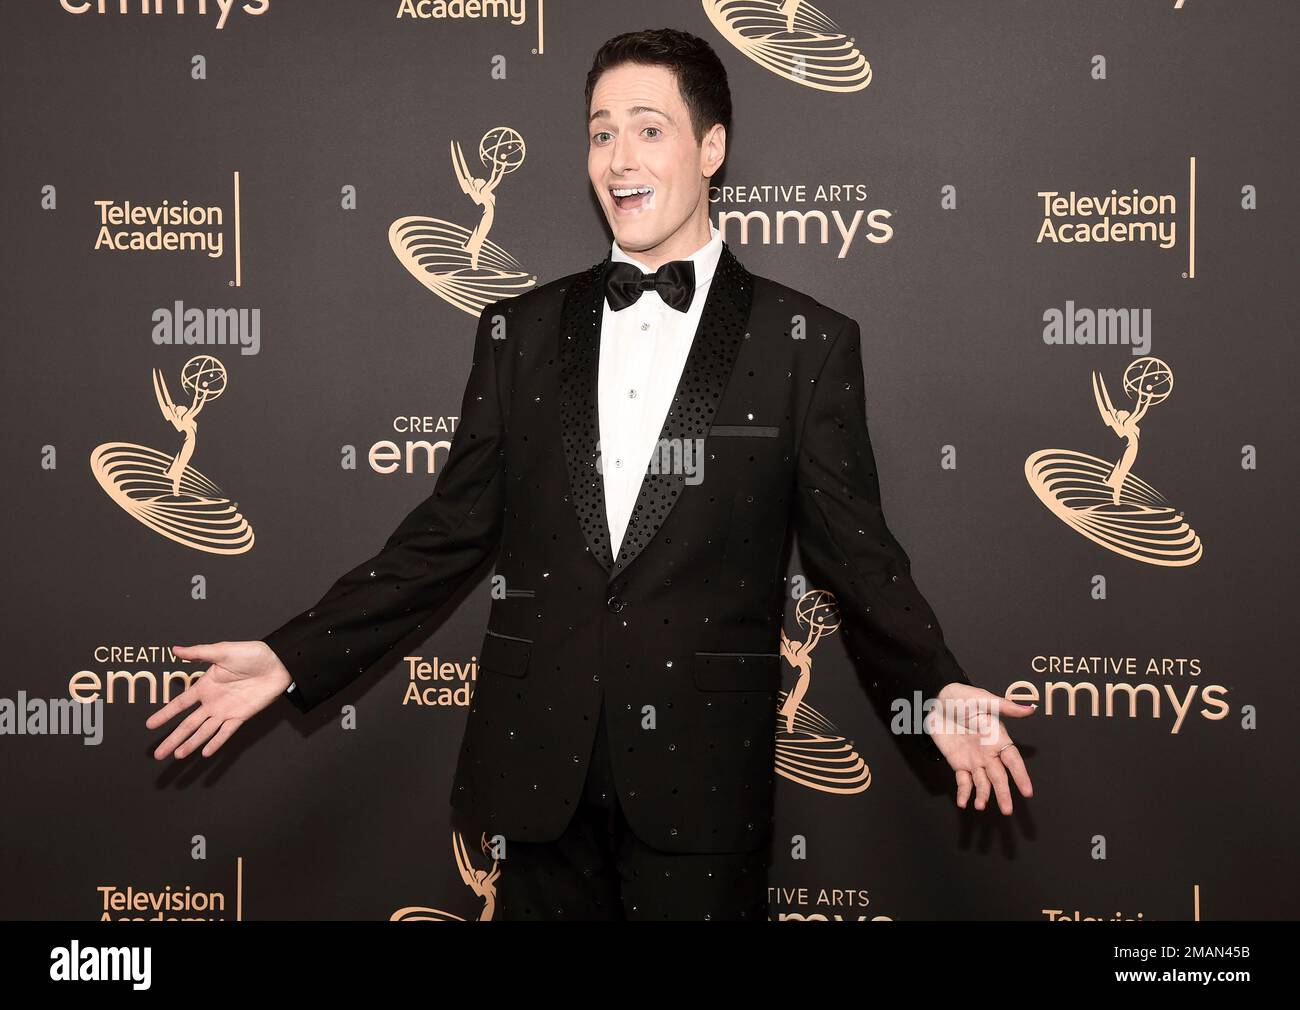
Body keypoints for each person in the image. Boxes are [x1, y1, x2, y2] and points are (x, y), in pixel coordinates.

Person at [147, 27, 1035, 921]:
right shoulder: (519, 330)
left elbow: (856, 553)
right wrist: (291, 655)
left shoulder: (805, 341)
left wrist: (933, 690)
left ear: (712, 147)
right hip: (533, 777)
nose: (619, 158)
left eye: (649, 129)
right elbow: (447, 534)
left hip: (702, 782)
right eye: (601, 131)